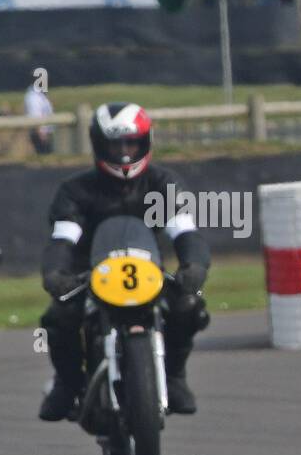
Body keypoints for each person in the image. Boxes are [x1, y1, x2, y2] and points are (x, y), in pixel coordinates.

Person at [39, 103, 211, 421]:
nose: (123, 152)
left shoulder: (163, 184)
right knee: (58, 317)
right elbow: (62, 240)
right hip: (89, 278)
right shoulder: (76, 190)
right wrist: (56, 273)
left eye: (131, 142)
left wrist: (194, 266)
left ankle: (174, 375)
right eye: (114, 144)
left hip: (149, 274)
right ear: (98, 144)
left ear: (145, 142)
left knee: (189, 306)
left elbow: (186, 232)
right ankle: (68, 383)